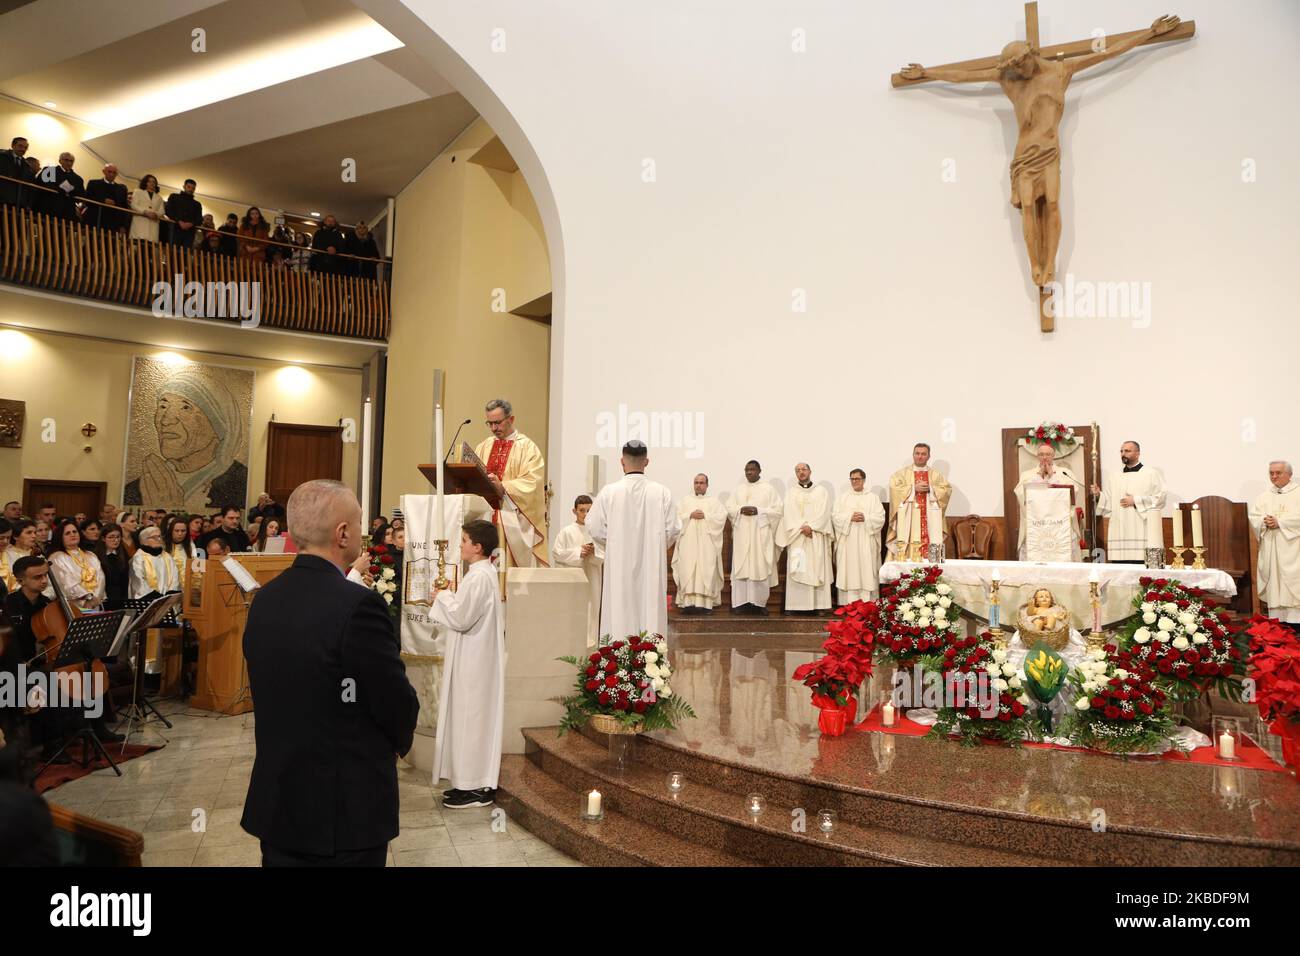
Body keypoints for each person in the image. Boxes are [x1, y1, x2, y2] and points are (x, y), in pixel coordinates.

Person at [241, 479, 418, 866]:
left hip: (280, 804)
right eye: (358, 523)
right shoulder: (358, 606)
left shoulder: (265, 600)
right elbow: (395, 701)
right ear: (342, 533)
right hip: (342, 809)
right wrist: (398, 742)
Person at [429, 519, 505, 809]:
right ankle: (465, 782)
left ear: (478, 546)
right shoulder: (481, 574)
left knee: (471, 719)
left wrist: (444, 595)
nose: (459, 545)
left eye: (463, 540)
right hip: (473, 656)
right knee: (467, 718)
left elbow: (461, 617)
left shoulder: (479, 577)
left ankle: (476, 787)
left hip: (475, 662)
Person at [586, 440, 680, 641]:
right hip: (651, 566)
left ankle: (617, 661)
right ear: (646, 461)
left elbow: (593, 527)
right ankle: (652, 661)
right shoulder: (662, 492)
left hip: (619, 565)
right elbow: (672, 529)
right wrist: (654, 548)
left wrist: (613, 543)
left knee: (619, 609)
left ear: (622, 461)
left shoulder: (609, 492)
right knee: (650, 610)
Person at [123, 363, 248, 511]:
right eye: (163, 406)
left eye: (185, 407)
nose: (165, 420)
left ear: (219, 427)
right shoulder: (140, 487)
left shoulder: (238, 482)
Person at [474, 398, 548, 568]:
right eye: (489, 423)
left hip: (512, 521)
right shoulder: (484, 446)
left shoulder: (527, 448)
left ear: (511, 419)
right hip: (486, 518)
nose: (494, 428)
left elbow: (532, 482)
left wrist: (503, 486)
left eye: (498, 423)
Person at [1092, 440, 1165, 564]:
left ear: (1138, 453)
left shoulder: (1151, 474)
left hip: (1142, 528)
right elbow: (1109, 502)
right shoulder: (1114, 476)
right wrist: (1099, 495)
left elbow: (1160, 498)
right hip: (1119, 531)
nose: (1123, 453)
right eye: (1121, 451)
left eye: (1127, 451)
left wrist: (1136, 500)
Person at [727, 460, 782, 615]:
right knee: (742, 567)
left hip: (760, 536)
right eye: (747, 470)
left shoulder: (768, 489)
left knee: (759, 567)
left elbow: (778, 511)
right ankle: (740, 603)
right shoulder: (738, 490)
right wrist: (741, 510)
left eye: (752, 469)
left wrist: (758, 510)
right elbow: (729, 508)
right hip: (742, 536)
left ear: (759, 471)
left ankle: (759, 604)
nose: (749, 472)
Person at [1014, 442, 1086, 562]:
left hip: (1061, 525)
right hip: (1036, 525)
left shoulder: (1065, 473)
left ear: (1053, 456)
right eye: (1041, 454)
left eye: (1048, 454)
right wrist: (1039, 478)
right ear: (1037, 456)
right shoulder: (1027, 474)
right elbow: (1020, 493)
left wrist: (1052, 475)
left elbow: (1074, 491)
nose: (1044, 457)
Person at [1250, 461, 1300, 627]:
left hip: (1293, 549)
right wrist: (1264, 522)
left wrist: (1281, 522)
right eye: (1271, 473)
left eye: (1278, 473)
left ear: (1289, 474)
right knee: (1275, 585)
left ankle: (1296, 622)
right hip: (1271, 549)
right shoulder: (1264, 496)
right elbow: (1255, 517)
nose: (1274, 476)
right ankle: (1277, 622)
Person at [779, 463, 833, 613]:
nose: (801, 472)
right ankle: (796, 606)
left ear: (810, 471)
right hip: (798, 537)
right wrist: (802, 527)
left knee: (816, 568)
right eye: (797, 470)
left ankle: (819, 606)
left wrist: (812, 527)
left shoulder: (821, 491)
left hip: (815, 536)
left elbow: (825, 511)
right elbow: (788, 513)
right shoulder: (791, 493)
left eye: (803, 469)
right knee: (799, 567)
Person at [551, 495, 604, 646]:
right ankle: (571, 646)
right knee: (573, 612)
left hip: (592, 578)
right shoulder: (566, 532)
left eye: (589, 510)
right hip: (573, 580)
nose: (586, 514)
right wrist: (578, 552)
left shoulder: (597, 532)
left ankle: (592, 648)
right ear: (574, 511)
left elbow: (605, 556)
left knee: (592, 611)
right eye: (582, 510)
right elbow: (557, 554)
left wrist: (594, 553)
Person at [671, 473, 726, 614]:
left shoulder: (714, 502)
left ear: (707, 485)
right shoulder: (684, 501)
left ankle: (705, 605)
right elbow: (676, 519)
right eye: (696, 482)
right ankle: (688, 604)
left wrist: (706, 516)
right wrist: (689, 515)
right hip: (688, 544)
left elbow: (721, 518)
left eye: (702, 482)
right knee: (687, 569)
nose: (698, 485)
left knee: (705, 570)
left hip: (706, 545)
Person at [887, 443, 952, 562]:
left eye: (923, 454)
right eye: (917, 453)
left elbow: (946, 490)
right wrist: (912, 489)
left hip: (929, 520)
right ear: (913, 455)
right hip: (909, 520)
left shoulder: (936, 476)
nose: (920, 456)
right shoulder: (901, 475)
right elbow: (894, 489)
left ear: (928, 456)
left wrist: (931, 489)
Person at [832, 468, 886, 604]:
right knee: (848, 570)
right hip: (848, 540)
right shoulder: (843, 498)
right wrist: (849, 517)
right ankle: (847, 603)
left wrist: (866, 518)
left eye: (858, 479)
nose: (855, 481)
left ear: (864, 480)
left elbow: (880, 518)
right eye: (852, 479)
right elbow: (835, 517)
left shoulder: (872, 498)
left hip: (866, 540)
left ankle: (868, 602)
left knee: (867, 568)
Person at [129, 525, 178, 598]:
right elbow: (138, 581)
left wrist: (170, 593)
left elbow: (175, 577)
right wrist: (155, 598)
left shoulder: (167, 557)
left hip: (167, 600)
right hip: (148, 600)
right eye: (154, 537)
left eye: (159, 536)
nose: (158, 539)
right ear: (144, 541)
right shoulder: (138, 558)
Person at [35, 152, 84, 220]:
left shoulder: (78, 179)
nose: (69, 163)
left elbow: (80, 195)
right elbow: (46, 186)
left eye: (71, 161)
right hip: (48, 208)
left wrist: (62, 187)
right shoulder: (50, 170)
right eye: (66, 160)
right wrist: (68, 189)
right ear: (60, 161)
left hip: (67, 213)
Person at [93, 524, 130, 609]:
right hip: (103, 598)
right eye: (111, 537)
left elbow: (125, 580)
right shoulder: (96, 556)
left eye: (118, 537)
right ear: (103, 539)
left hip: (120, 598)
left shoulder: (123, 554)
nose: (115, 540)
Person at [84, 163, 129, 232]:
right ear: (104, 171)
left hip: (113, 224)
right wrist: (103, 200)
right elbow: (87, 199)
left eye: (114, 173)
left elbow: (123, 207)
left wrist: (122, 225)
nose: (111, 174)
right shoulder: (94, 184)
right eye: (109, 172)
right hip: (95, 220)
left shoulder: (121, 189)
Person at [164, 178, 202, 248]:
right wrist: (179, 221)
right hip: (174, 229)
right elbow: (168, 210)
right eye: (188, 187)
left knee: (185, 253)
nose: (190, 189)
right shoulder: (174, 196)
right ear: (184, 186)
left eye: (193, 188)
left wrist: (191, 224)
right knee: (173, 250)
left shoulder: (197, 204)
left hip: (189, 232)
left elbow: (199, 219)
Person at [129, 174, 165, 242]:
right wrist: (145, 212)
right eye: (149, 181)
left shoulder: (159, 198)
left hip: (153, 227)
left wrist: (156, 214)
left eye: (154, 182)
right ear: (145, 182)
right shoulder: (138, 192)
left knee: (149, 250)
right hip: (139, 225)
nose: (152, 183)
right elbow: (133, 205)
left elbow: (162, 211)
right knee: (137, 248)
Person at [0, 136, 34, 207]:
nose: (23, 149)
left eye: (25, 147)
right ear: (13, 145)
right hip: (2, 197)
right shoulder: (2, 157)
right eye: (20, 146)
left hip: (17, 202)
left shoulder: (27, 166)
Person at [162, 514, 193, 586]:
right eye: (176, 530)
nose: (180, 534)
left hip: (187, 587)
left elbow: (199, 570)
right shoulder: (162, 545)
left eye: (183, 531)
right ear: (171, 531)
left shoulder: (193, 547)